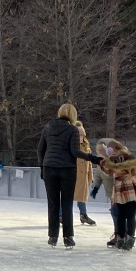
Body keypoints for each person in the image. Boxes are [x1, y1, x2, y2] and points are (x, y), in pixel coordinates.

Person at [37, 103, 102, 248]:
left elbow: (40, 150)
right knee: (66, 204)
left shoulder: (48, 127)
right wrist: (94, 159)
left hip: (49, 169)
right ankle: (68, 237)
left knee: (53, 204)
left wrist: (42, 167)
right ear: (73, 115)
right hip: (67, 170)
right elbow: (75, 152)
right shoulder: (72, 129)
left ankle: (52, 237)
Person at [99, 139, 136, 250]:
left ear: (114, 149)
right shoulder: (129, 158)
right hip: (132, 189)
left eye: (109, 150)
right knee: (128, 215)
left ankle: (122, 238)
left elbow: (108, 170)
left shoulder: (114, 161)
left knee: (123, 215)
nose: (109, 153)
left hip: (125, 189)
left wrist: (102, 162)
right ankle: (127, 238)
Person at [74, 122, 97, 226]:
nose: (81, 137)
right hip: (73, 177)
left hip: (83, 177)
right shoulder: (71, 147)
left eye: (83, 135)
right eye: (79, 135)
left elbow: (90, 163)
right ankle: (61, 215)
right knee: (67, 197)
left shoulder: (86, 148)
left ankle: (83, 215)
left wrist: (90, 177)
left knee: (81, 197)